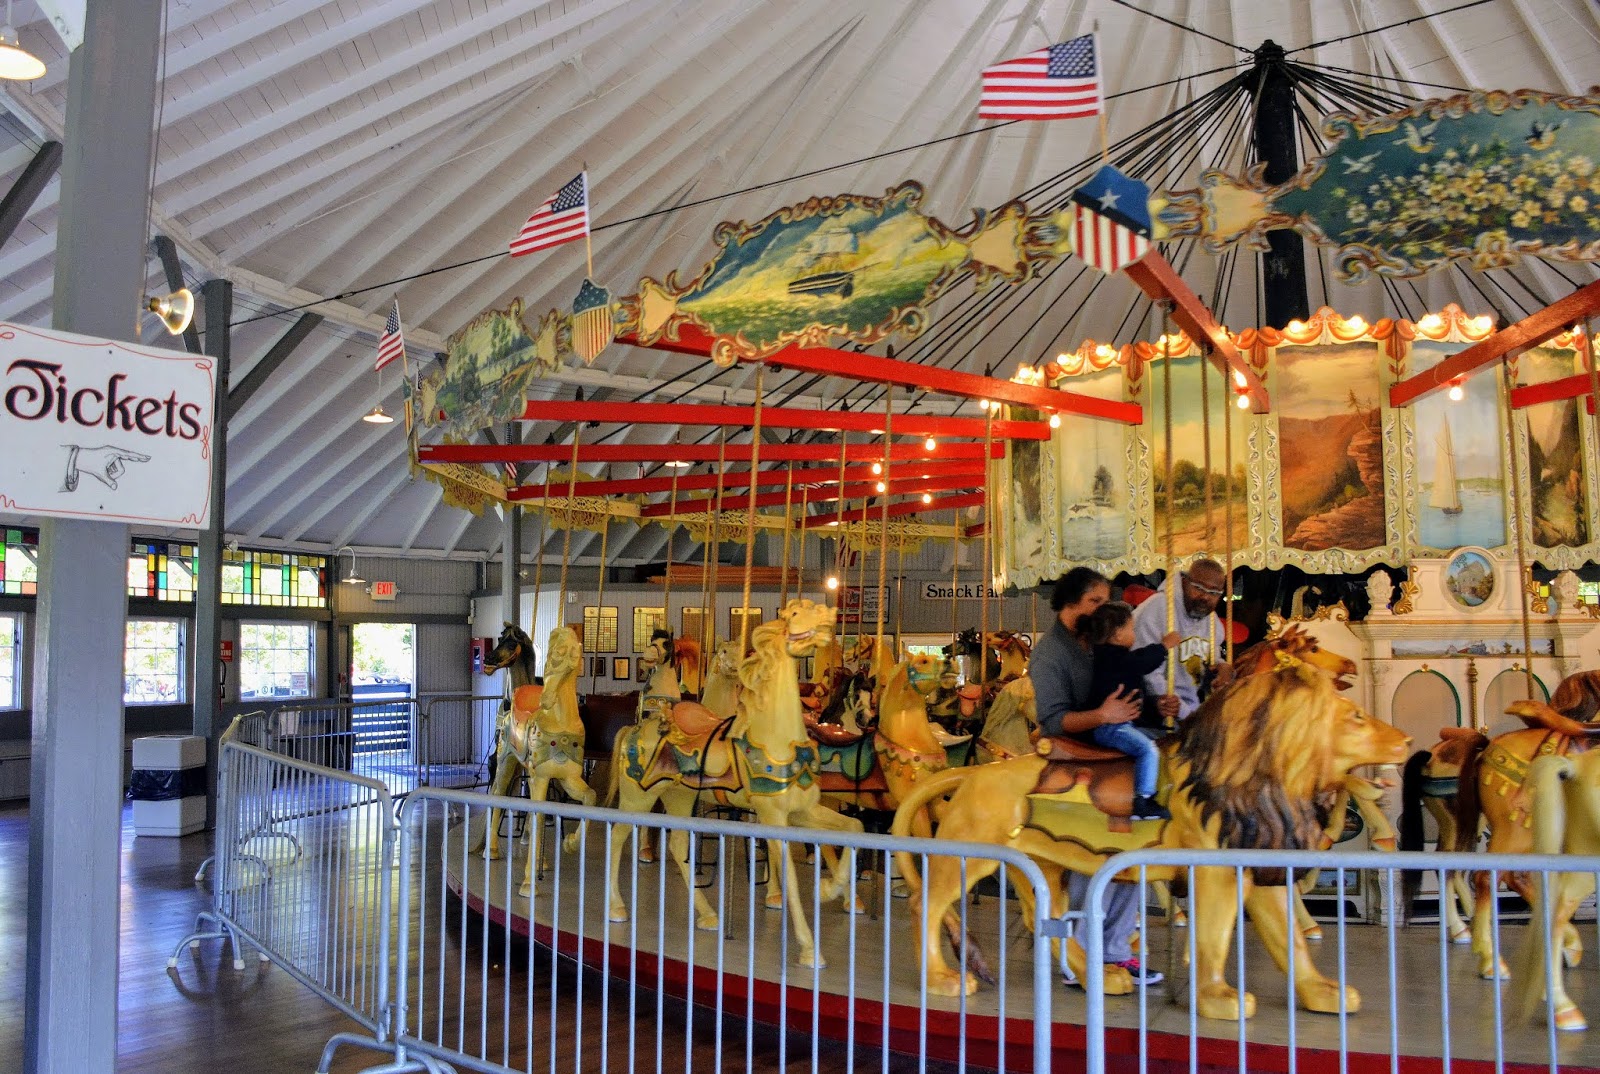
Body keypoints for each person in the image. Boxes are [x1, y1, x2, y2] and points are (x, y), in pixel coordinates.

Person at [1031, 567, 1164, 986]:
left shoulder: (1100, 642)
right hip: (1080, 759)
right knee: (1094, 858)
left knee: (1132, 856)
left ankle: (1117, 948)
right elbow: (1053, 720)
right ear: (1072, 603)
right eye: (1095, 602)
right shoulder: (1051, 653)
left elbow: (1130, 685)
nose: (1102, 609)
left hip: (1114, 754)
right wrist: (1103, 716)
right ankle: (1082, 954)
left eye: (1105, 602)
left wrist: (1160, 707)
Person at [1080, 602, 1177, 820]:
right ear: (1116, 635)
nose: (1134, 635)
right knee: (1148, 749)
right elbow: (1141, 661)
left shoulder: (1115, 659)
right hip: (1110, 727)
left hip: (1122, 724)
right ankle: (1142, 801)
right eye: (1131, 629)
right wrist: (1163, 647)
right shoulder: (1111, 658)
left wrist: (1155, 706)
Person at [1130, 557, 1235, 731]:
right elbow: (1146, 671)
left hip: (1190, 714)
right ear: (1185, 582)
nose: (1205, 597)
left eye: (1214, 593)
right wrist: (1186, 714)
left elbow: (1211, 656)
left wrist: (1222, 667)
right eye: (1198, 588)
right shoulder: (1158, 608)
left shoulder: (1212, 621)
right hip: (1152, 712)